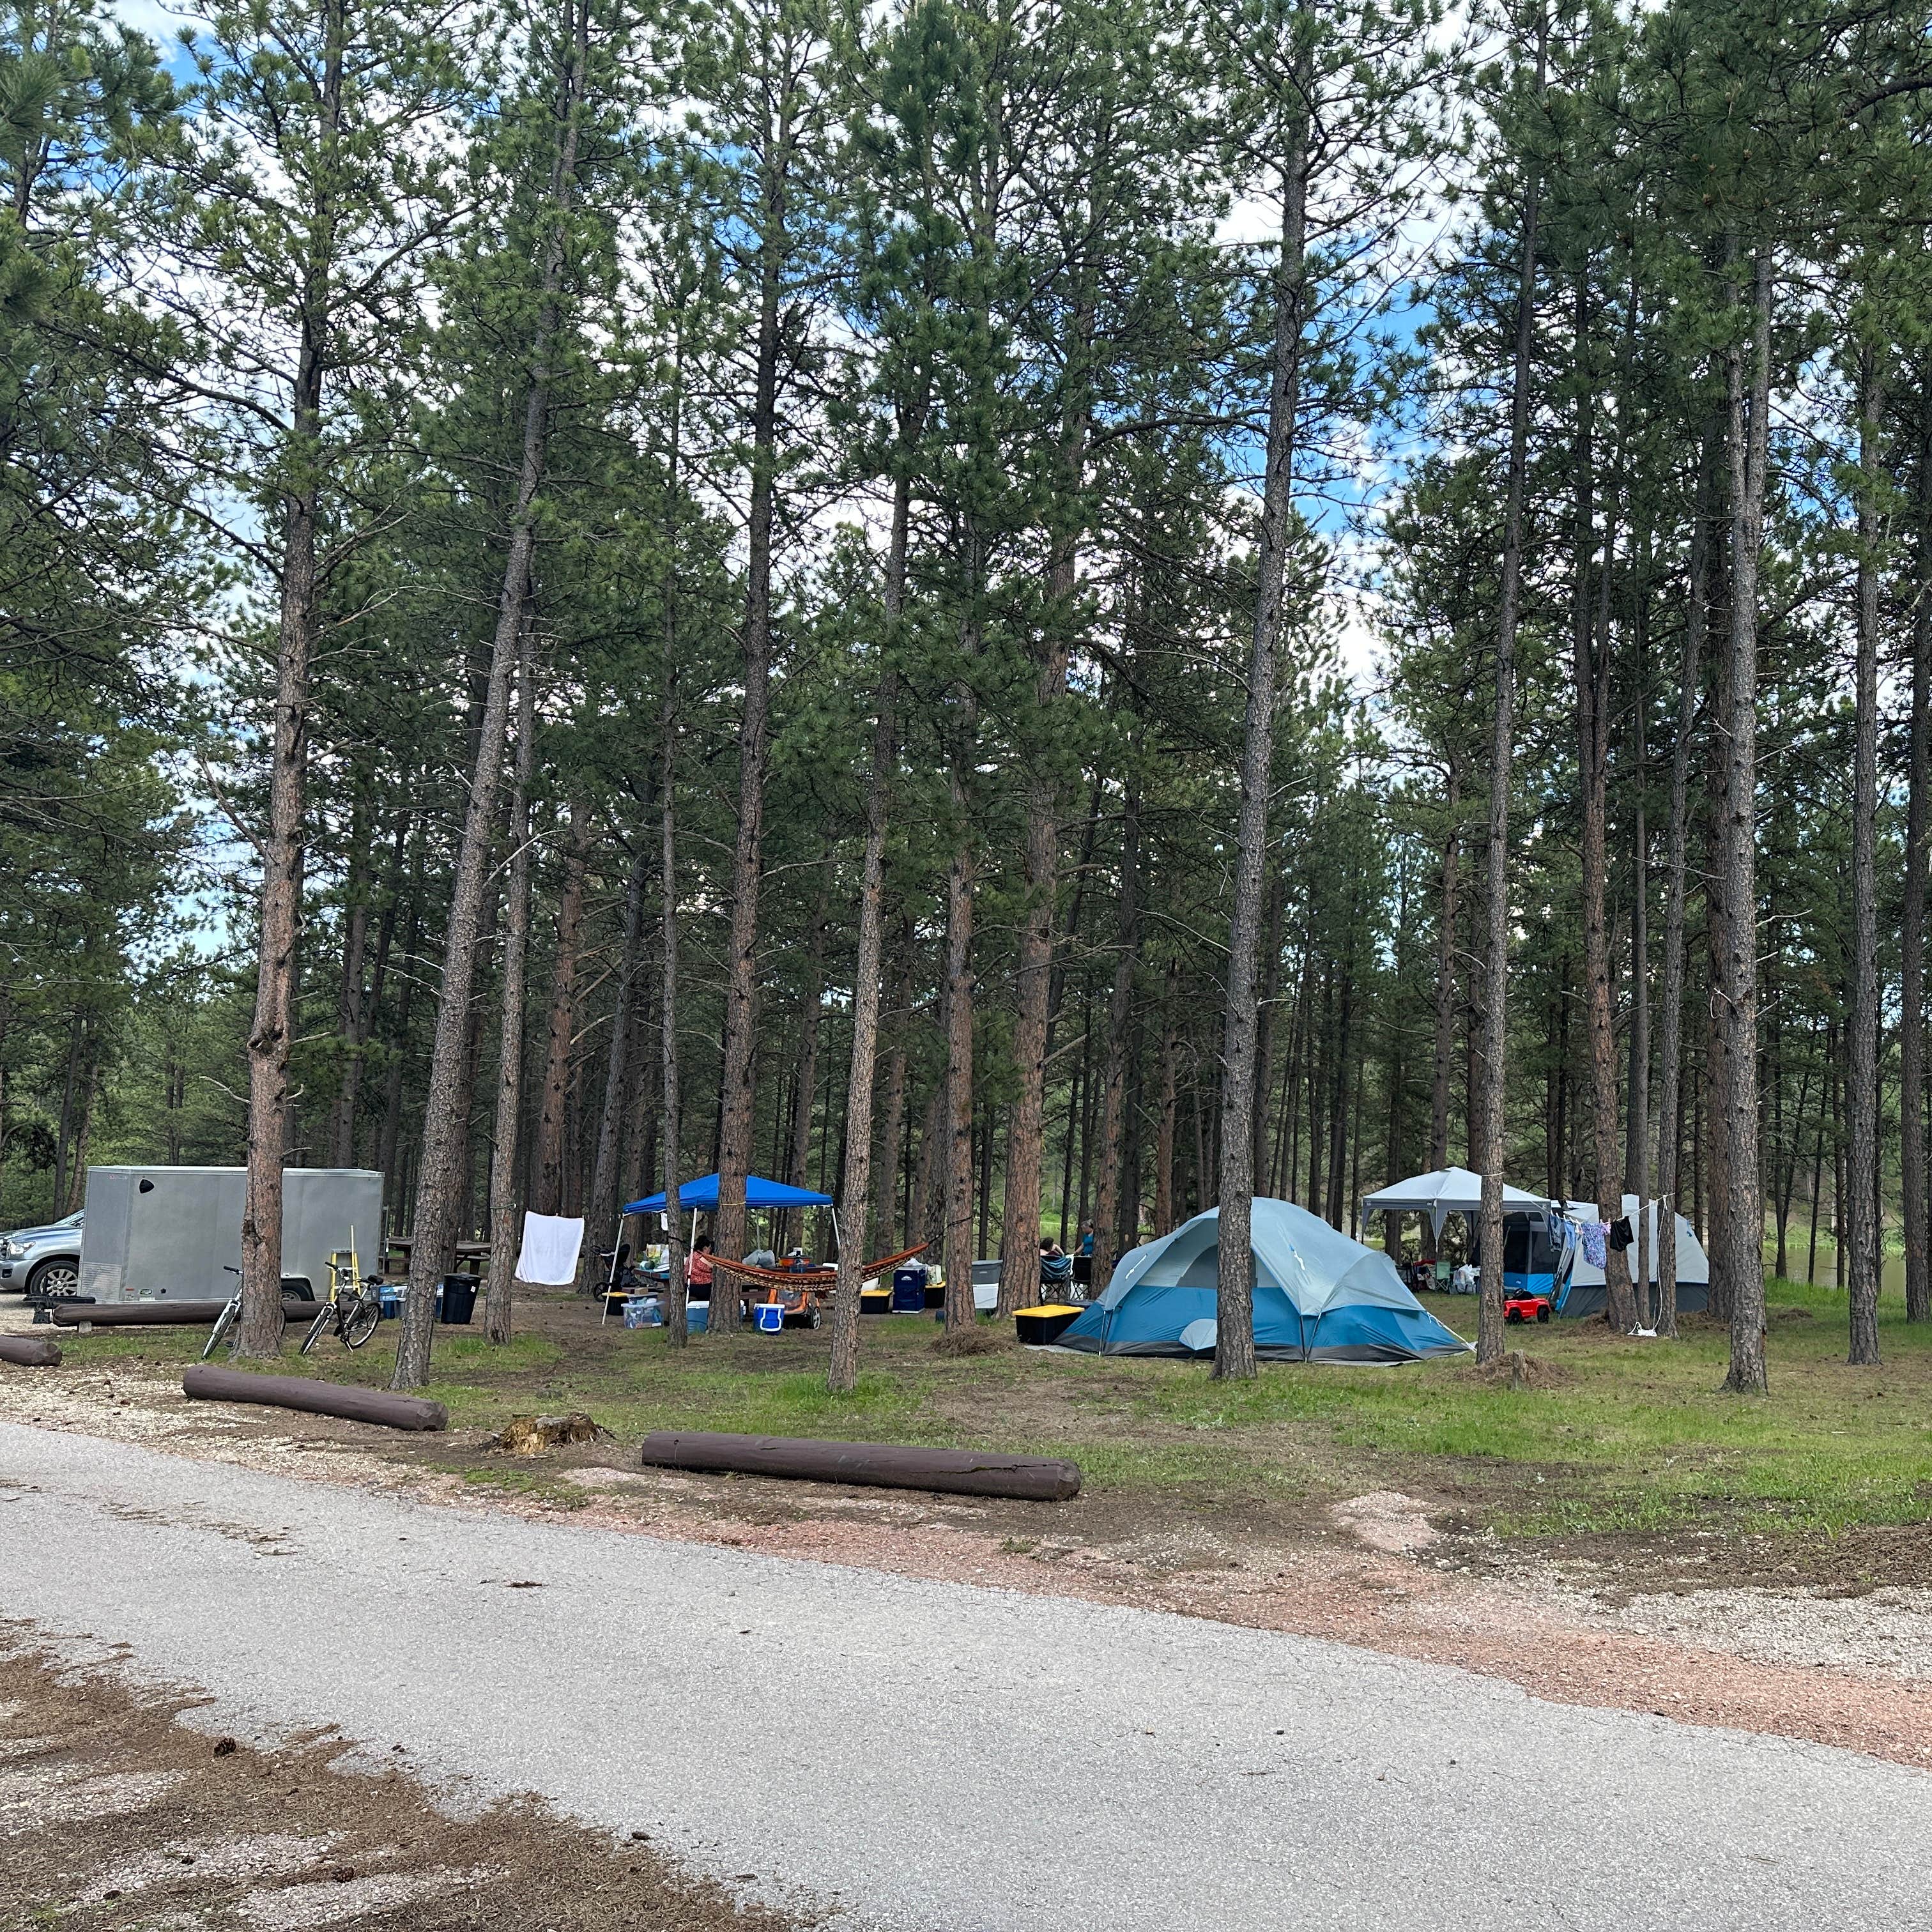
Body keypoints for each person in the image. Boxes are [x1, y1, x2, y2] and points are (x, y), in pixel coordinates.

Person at [686, 1236, 715, 1303]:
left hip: (690, 1285)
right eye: (709, 1248)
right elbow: (713, 1267)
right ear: (705, 1248)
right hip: (701, 1287)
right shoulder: (701, 1257)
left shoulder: (692, 1255)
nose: (710, 1251)